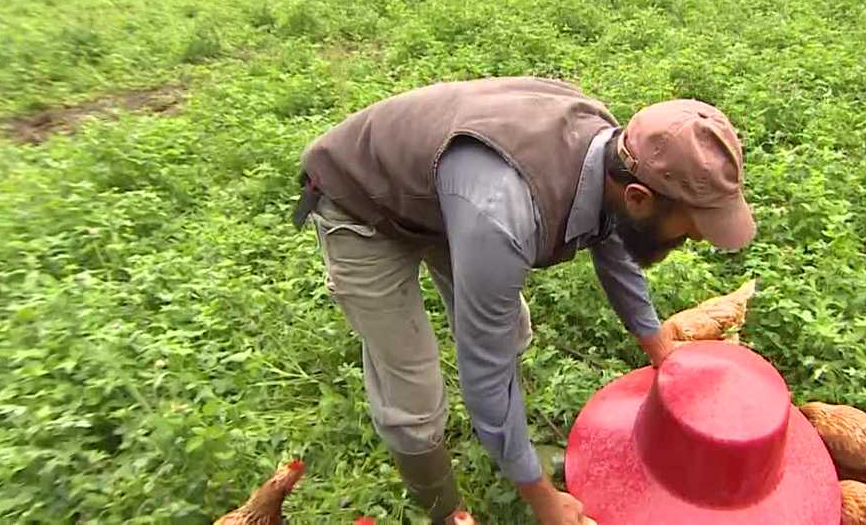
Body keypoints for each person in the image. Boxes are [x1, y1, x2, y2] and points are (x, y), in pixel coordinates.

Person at [293, 76, 756, 525]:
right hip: (360, 203)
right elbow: (485, 371)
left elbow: (614, 243)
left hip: (444, 191)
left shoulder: (617, 153)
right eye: (691, 227)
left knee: (510, 328)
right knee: (412, 388)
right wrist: (544, 501)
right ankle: (445, 511)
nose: (697, 237)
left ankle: (510, 448)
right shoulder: (502, 215)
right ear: (638, 196)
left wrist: (662, 351)